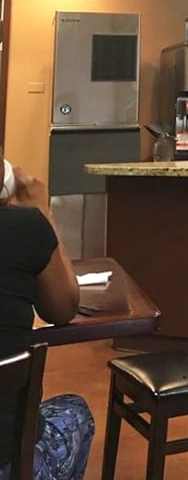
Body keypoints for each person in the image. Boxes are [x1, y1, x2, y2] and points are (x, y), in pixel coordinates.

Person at [0, 163, 94, 480]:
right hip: (9, 458)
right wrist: (44, 213)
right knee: (76, 412)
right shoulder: (25, 227)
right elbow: (62, 309)